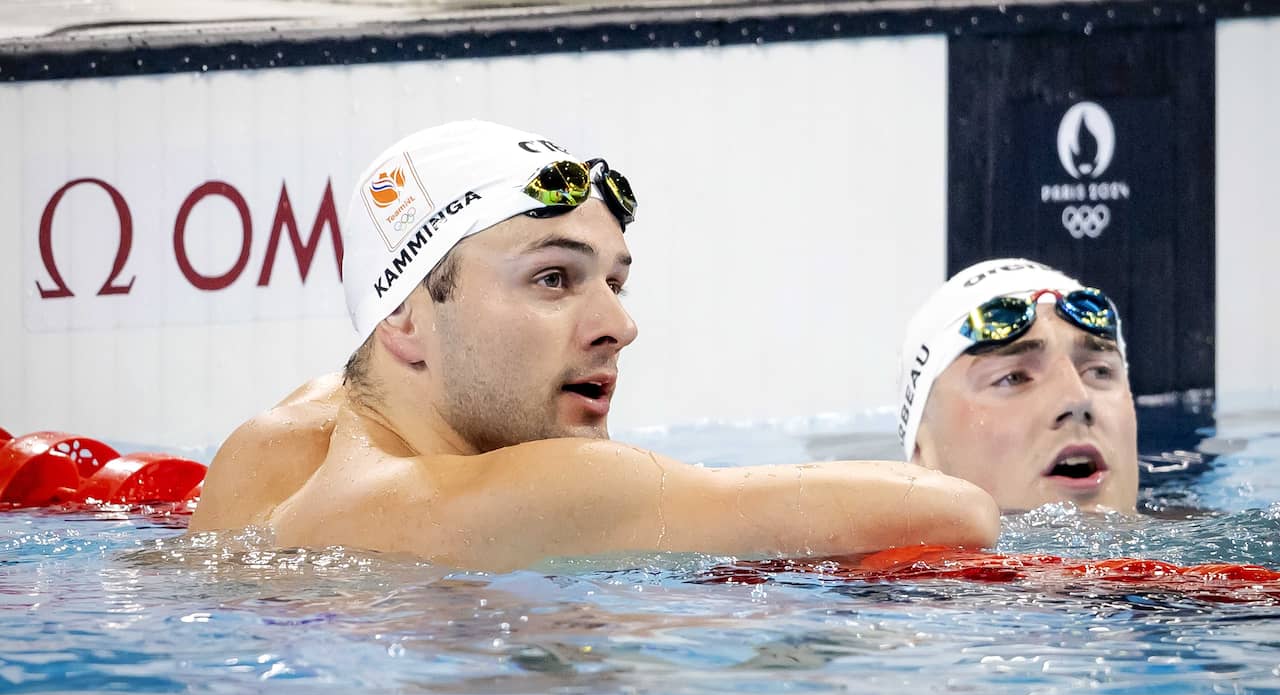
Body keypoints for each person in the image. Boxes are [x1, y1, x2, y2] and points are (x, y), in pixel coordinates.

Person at [189, 120, 999, 570]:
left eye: (615, 281)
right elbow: (958, 510)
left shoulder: (276, 444)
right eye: (552, 279)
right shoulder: (536, 495)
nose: (619, 324)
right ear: (404, 318)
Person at [896, 258, 1138, 513]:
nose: (1077, 400)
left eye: (1099, 371)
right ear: (923, 455)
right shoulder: (867, 553)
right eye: (1014, 377)